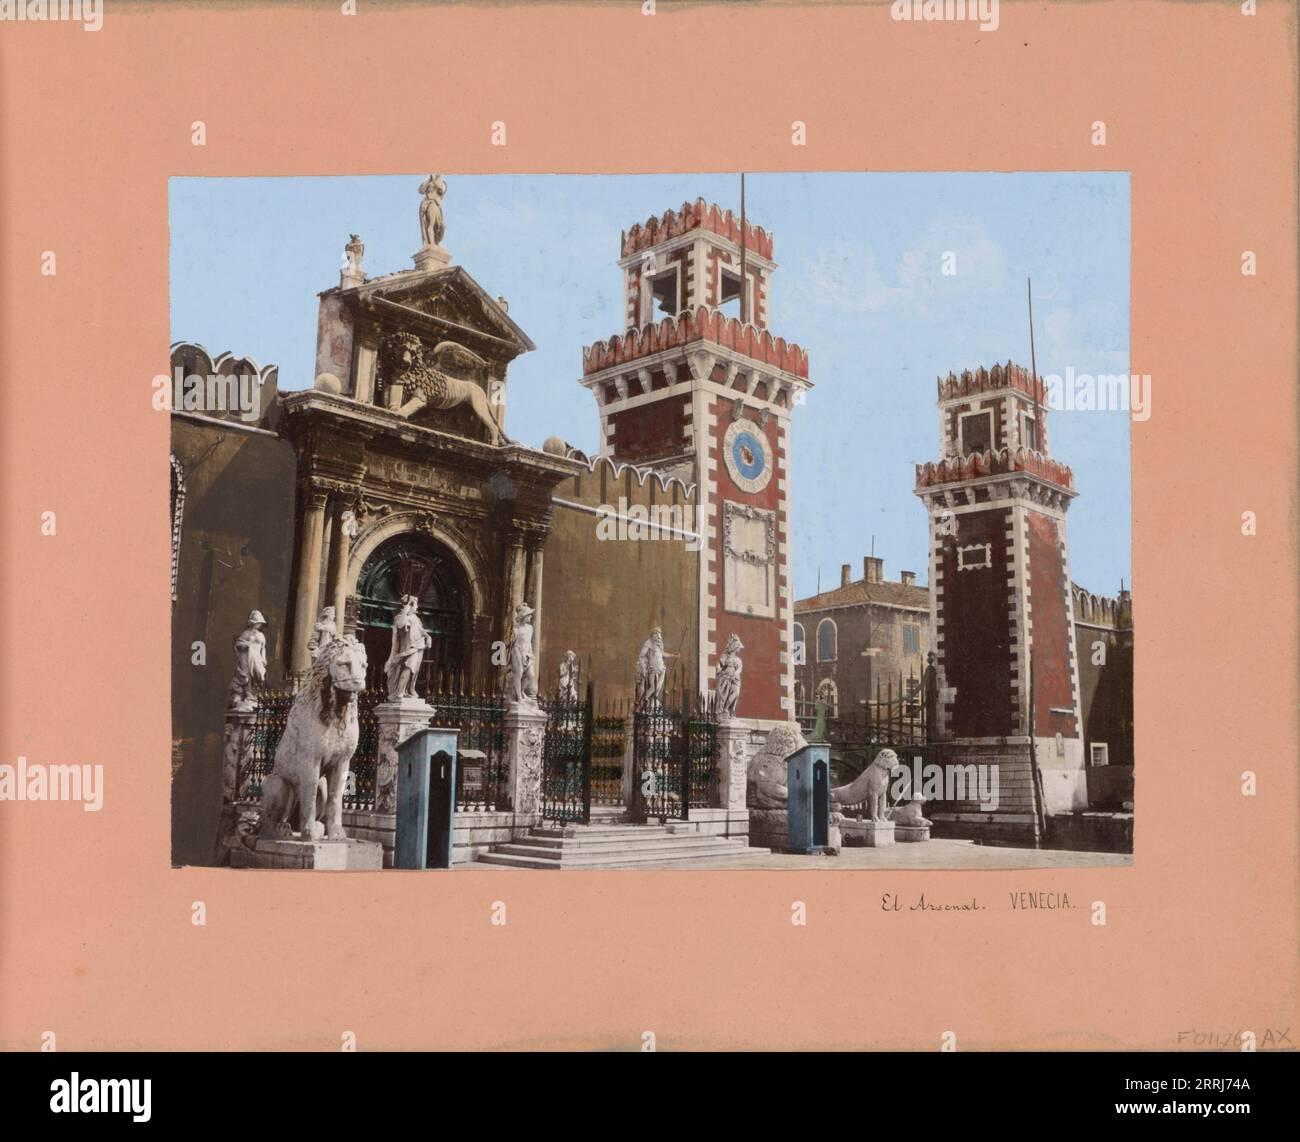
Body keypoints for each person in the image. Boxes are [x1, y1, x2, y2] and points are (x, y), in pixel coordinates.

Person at [384, 595, 431, 700]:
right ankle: (400, 691)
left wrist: (428, 637)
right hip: (408, 648)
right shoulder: (400, 617)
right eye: (415, 605)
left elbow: (421, 630)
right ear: (410, 605)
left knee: (413, 670)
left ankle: (406, 690)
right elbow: (401, 625)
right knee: (409, 667)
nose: (417, 607)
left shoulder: (416, 618)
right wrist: (405, 611)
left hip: (418, 647)